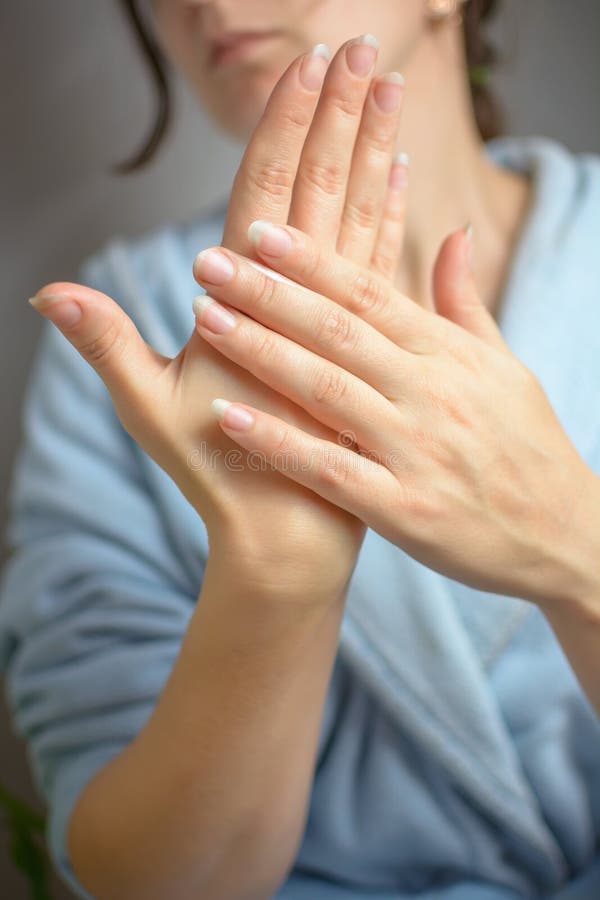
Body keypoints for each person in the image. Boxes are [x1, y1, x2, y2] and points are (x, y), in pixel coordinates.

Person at [1, 0, 599, 897]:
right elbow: (141, 880)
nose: (204, 4)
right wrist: (275, 579)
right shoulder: (125, 341)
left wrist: (579, 547)